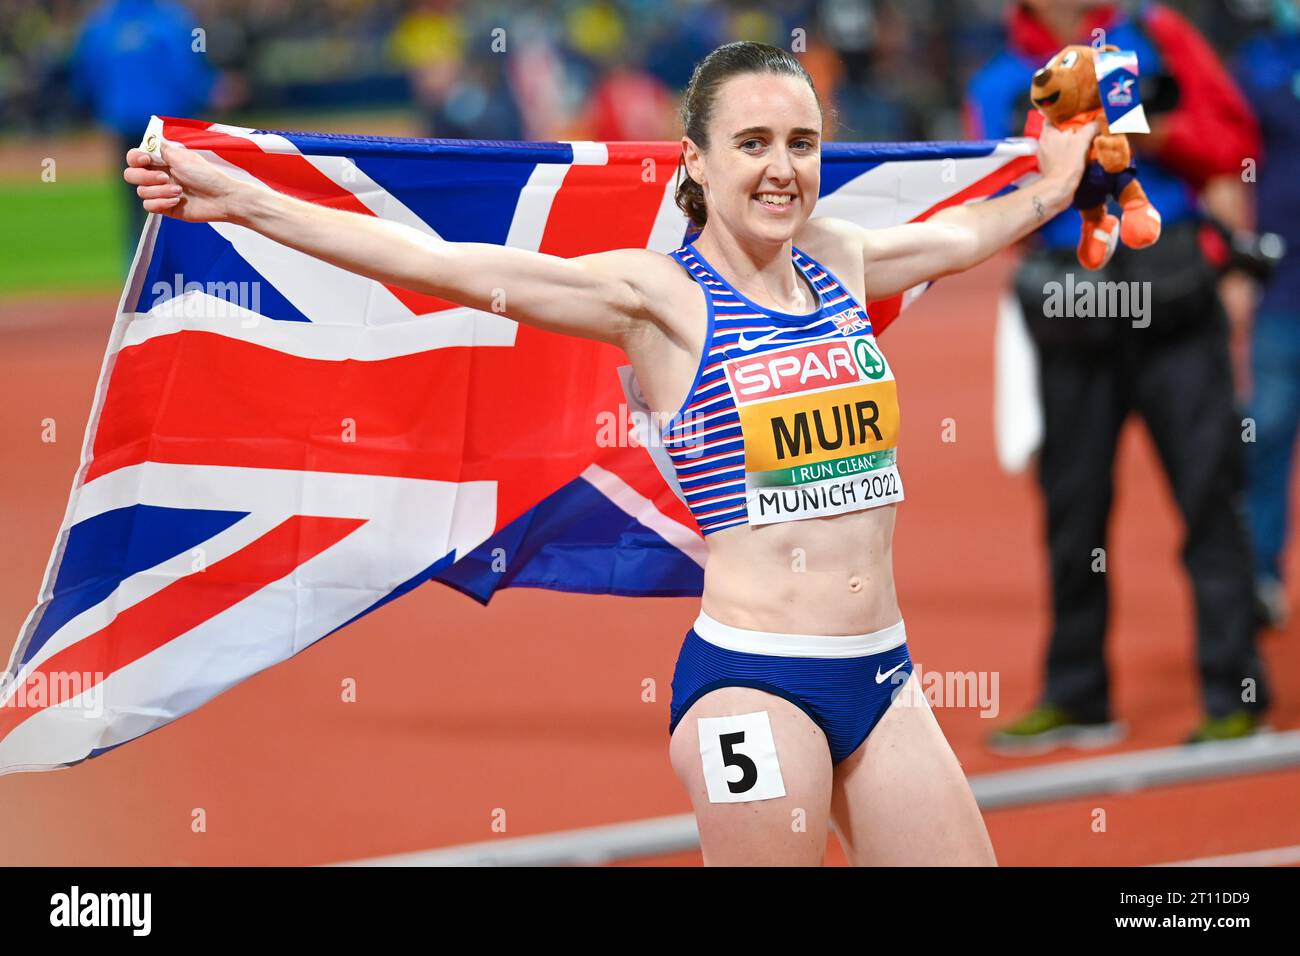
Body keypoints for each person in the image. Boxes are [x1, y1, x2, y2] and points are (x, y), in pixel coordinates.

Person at [123, 41, 1095, 866]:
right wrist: (250, 202)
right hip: (750, 686)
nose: (780, 168)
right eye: (750, 143)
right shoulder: (656, 297)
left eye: (800, 143)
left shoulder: (837, 256)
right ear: (698, 162)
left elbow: (965, 230)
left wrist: (1056, 181)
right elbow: (450, 267)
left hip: (882, 672)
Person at [967, 0, 1272, 752]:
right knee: (1072, 514)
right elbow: (990, 203)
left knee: (1210, 499)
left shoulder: (1156, 34)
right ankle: (1078, 696)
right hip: (1071, 311)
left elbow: (1232, 142)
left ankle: (1235, 694)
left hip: (1173, 306)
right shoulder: (1001, 77)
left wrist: (1144, 132)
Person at [1235, 0, 1300, 629]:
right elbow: (1224, 144)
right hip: (1282, 288)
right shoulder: (1257, 63)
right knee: (1269, 431)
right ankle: (1260, 576)